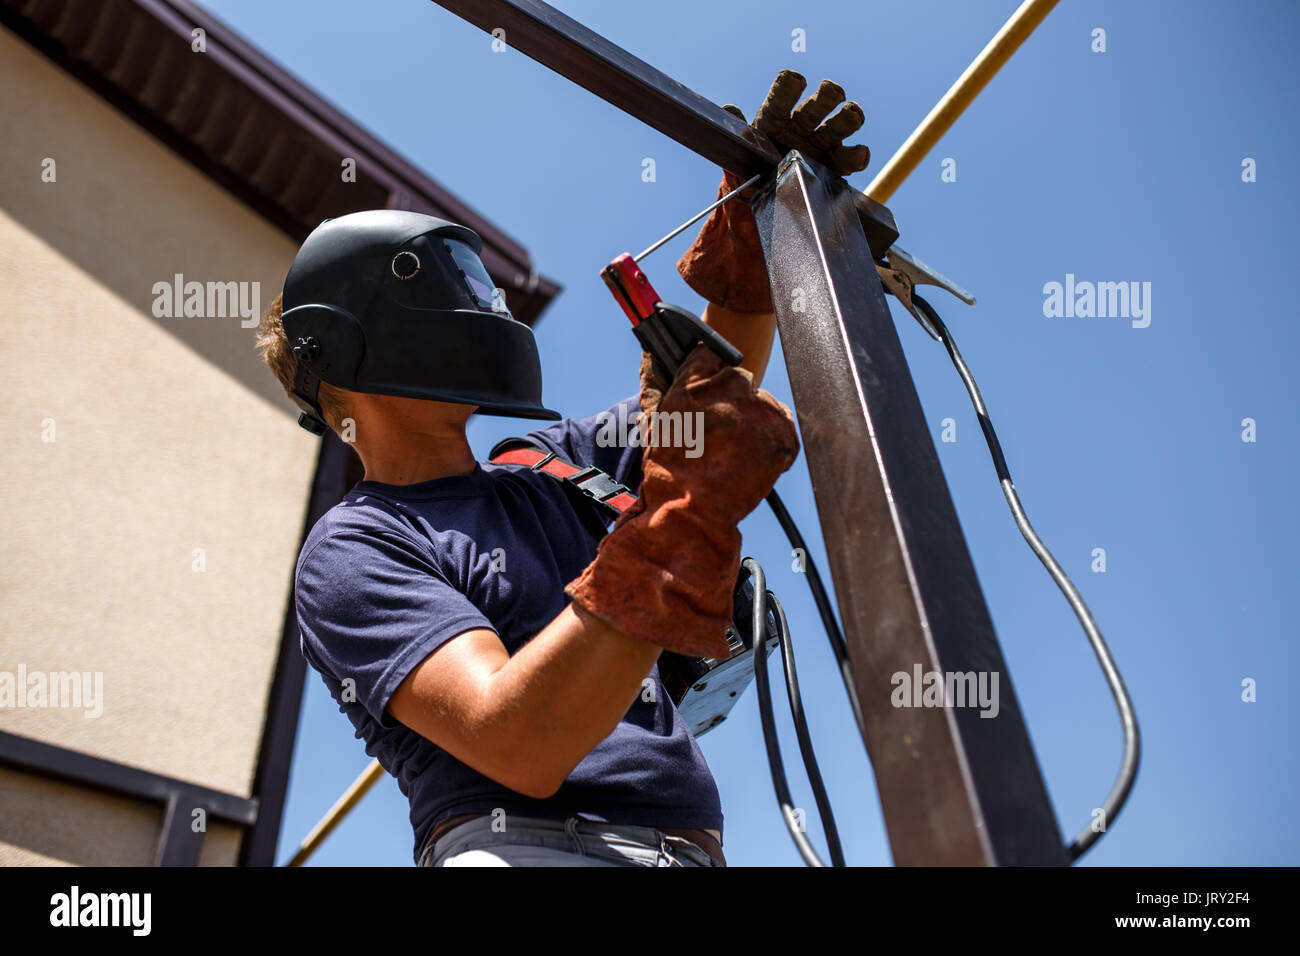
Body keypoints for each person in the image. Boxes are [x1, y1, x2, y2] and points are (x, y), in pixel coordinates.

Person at [255, 71, 870, 867]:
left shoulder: (550, 468)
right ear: (344, 351)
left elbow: (699, 413)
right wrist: (683, 518)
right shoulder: (356, 547)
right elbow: (515, 742)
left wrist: (755, 238)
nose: (477, 306)